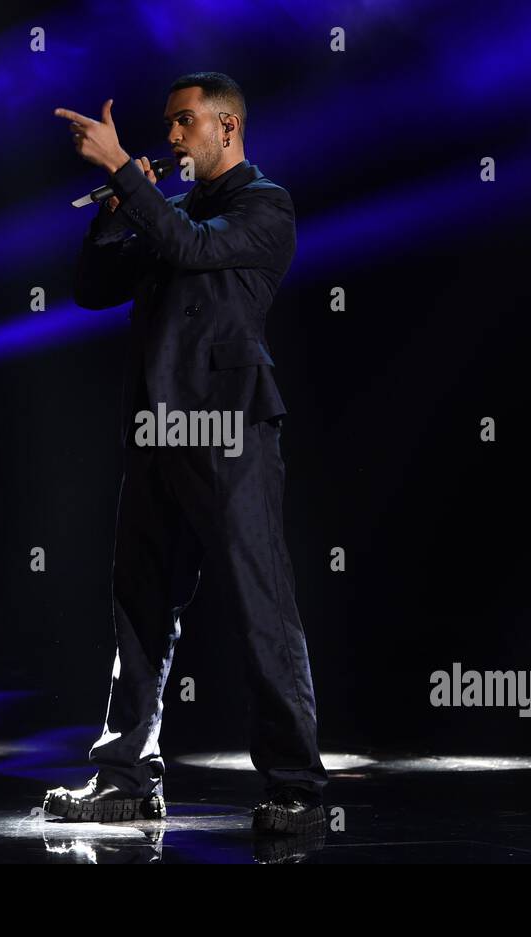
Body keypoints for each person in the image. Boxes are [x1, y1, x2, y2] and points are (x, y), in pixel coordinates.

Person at [46, 72, 328, 835]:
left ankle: (297, 786)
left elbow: (193, 249)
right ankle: (125, 778)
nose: (169, 138)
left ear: (226, 129)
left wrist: (127, 177)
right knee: (139, 607)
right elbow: (93, 288)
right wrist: (113, 208)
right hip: (158, 429)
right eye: (166, 125)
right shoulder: (165, 211)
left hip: (229, 427)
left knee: (258, 604)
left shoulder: (264, 205)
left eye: (183, 123)